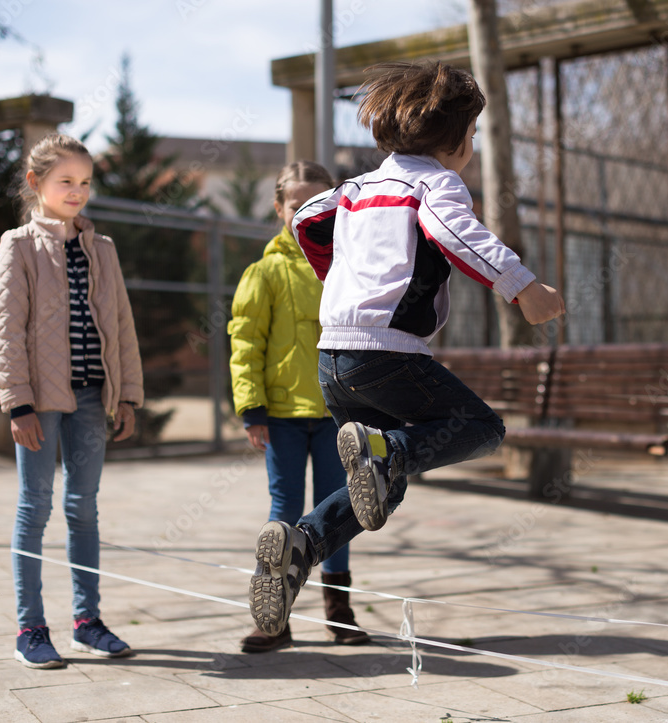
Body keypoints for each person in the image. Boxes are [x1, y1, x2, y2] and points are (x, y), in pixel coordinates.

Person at [247, 60, 565, 638]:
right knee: (482, 427)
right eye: (471, 133)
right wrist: (524, 288)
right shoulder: (435, 182)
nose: (471, 144)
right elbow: (458, 233)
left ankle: (301, 544)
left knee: (376, 491)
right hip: (386, 352)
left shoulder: (353, 190)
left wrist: (338, 278)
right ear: (457, 139)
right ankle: (387, 450)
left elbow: (306, 222)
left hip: (332, 358)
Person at [0, 134, 144, 669]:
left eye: (85, 182)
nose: (77, 192)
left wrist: (126, 394)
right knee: (35, 508)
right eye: (65, 182)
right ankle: (30, 629)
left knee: (83, 507)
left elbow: (121, 325)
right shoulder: (19, 246)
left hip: (91, 395)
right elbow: (4, 331)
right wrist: (17, 403)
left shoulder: (102, 248)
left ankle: (87, 622)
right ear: (37, 184)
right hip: (40, 400)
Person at [229, 160, 369, 650]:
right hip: (283, 418)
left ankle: (340, 612)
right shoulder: (264, 272)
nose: (307, 210)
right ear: (279, 207)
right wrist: (252, 408)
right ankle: (275, 617)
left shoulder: (350, 266)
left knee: (338, 510)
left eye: (318, 201)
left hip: (337, 413)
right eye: (296, 203)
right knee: (284, 511)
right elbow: (245, 341)